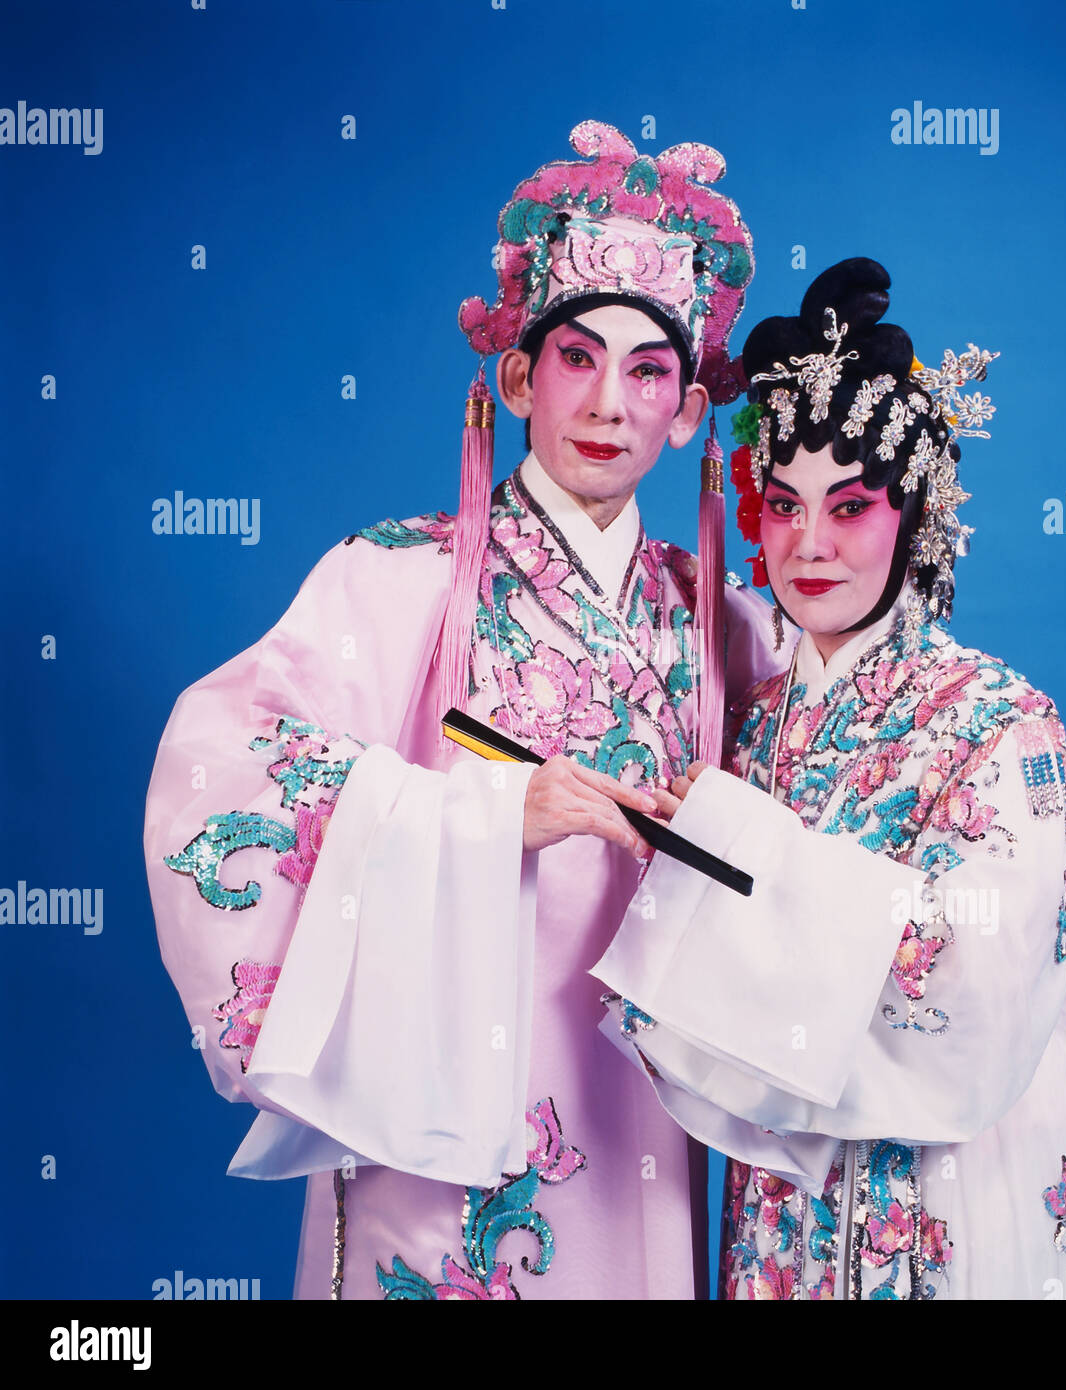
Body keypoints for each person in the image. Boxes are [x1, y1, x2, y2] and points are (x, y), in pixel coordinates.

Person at [142, 121, 778, 1300]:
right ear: (519, 376)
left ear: (687, 412)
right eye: (576, 359)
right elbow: (222, 768)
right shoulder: (399, 577)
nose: (606, 403)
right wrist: (488, 816)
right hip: (438, 1102)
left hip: (641, 1108)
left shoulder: (721, 625)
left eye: (646, 373)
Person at [594, 258, 1066, 1300]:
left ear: (914, 516)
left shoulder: (998, 721)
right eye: (782, 504)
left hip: (940, 1198)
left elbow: (974, 985)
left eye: (851, 506)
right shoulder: (748, 724)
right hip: (778, 1208)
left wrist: (750, 852)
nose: (808, 545)